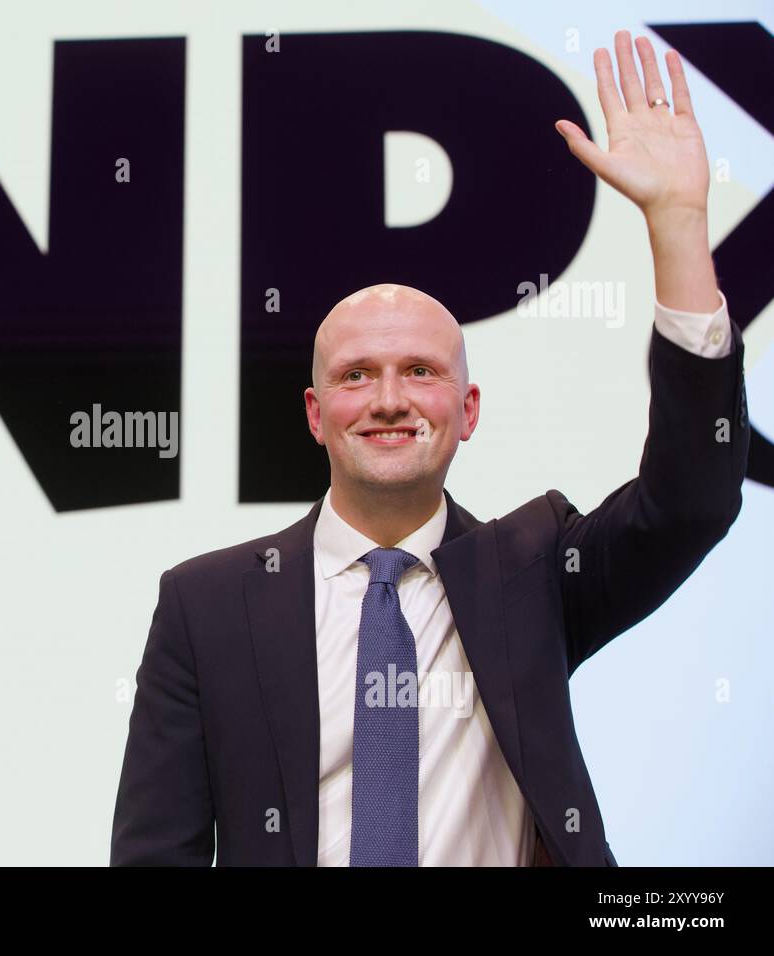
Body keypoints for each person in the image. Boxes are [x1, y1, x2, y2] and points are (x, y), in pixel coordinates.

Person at [111, 31, 749, 866]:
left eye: (419, 371)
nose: (387, 399)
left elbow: (692, 500)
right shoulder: (205, 603)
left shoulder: (534, 573)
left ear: (467, 408)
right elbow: (158, 853)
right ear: (313, 412)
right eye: (356, 375)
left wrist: (679, 226)